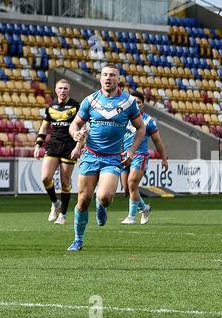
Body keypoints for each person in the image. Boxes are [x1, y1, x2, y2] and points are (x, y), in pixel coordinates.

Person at [65, 65, 148, 252]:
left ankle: (101, 205)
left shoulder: (127, 102)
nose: (108, 78)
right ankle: (78, 240)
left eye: (112, 75)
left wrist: (131, 150)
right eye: (104, 75)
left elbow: (141, 128)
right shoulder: (91, 100)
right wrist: (75, 134)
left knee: (105, 197)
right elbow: (75, 124)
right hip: (90, 155)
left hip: (112, 158)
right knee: (83, 199)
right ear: (100, 78)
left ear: (118, 79)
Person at [34, 78, 78, 224]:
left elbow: (82, 127)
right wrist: (38, 145)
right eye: (60, 88)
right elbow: (44, 127)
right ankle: (55, 203)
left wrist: (79, 146)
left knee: (65, 182)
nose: (63, 91)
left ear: (69, 90)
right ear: (56, 90)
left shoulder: (76, 106)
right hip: (53, 145)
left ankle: (63, 214)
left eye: (65, 88)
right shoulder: (50, 107)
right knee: (45, 177)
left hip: (69, 146)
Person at [120, 91, 168, 225]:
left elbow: (157, 141)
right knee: (127, 189)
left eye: (139, 102)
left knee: (132, 183)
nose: (136, 104)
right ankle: (144, 208)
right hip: (125, 155)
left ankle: (131, 216)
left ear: (142, 105)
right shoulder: (123, 118)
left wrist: (164, 158)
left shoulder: (148, 121)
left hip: (140, 155)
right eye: (133, 102)